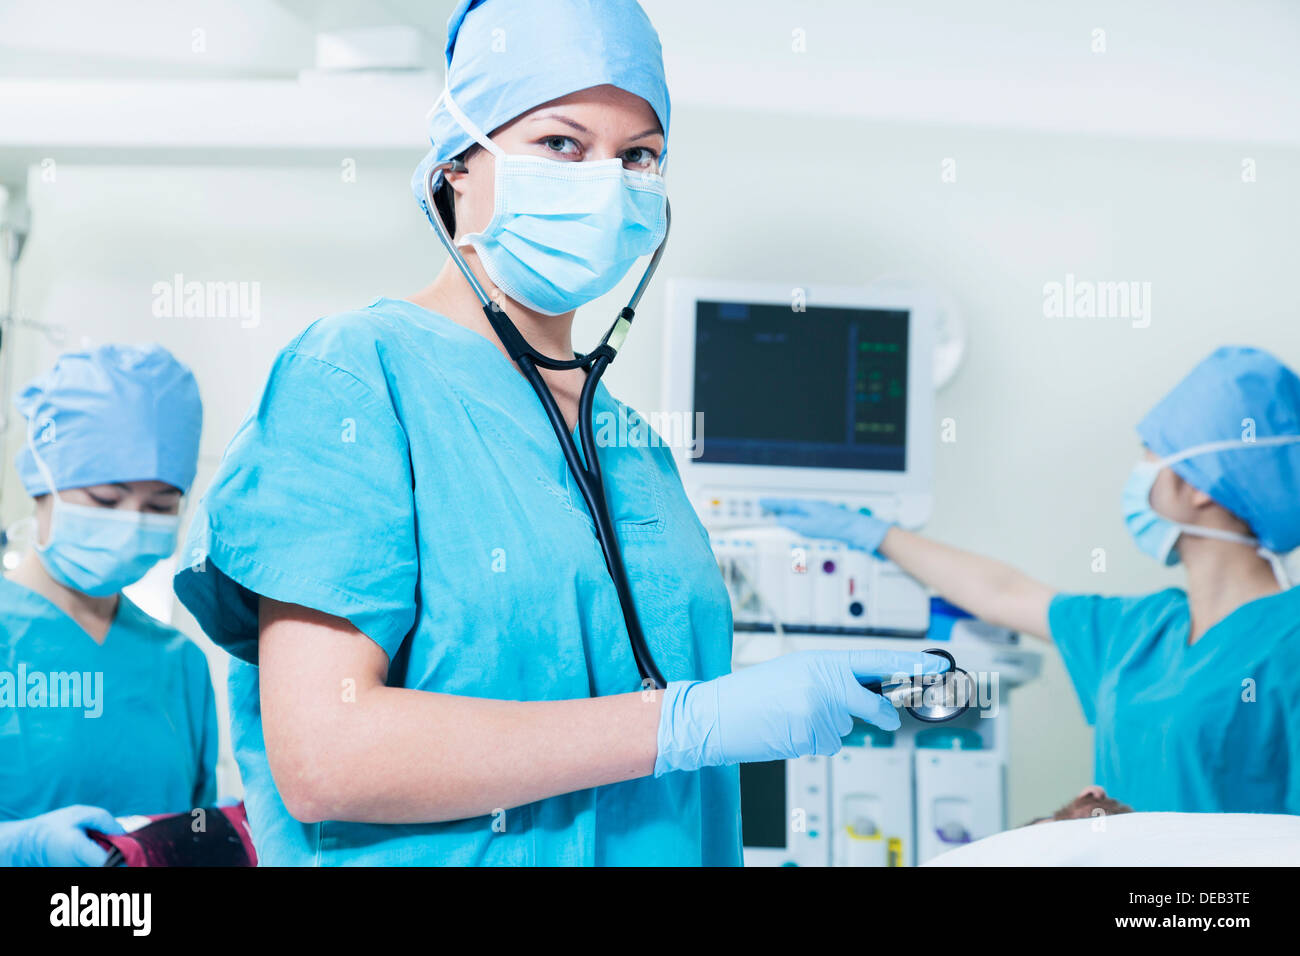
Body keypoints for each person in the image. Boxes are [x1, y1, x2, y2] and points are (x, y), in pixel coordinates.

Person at [173, 0, 944, 866]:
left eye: (639, 155)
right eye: (561, 145)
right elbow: (328, 757)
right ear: (457, 163)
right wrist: (685, 725)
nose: (605, 182)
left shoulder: (633, 447)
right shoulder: (355, 378)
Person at [766, 346, 1300, 814]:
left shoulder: (1288, 645)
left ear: (1200, 485)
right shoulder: (1142, 628)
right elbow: (1002, 592)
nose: (1138, 473)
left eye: (1151, 457)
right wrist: (873, 532)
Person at [0, 344, 217, 865]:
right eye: (105, 500)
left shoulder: (179, 664)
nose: (132, 521)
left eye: (160, 506)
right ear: (42, 480)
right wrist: (19, 846)